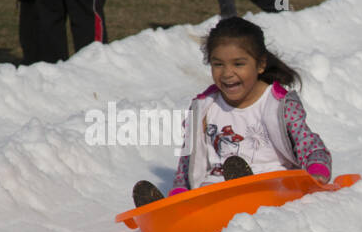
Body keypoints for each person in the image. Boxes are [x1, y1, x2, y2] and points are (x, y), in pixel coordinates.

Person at [133, 18, 332, 207]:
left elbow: (309, 145)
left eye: (238, 64)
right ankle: (164, 211)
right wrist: (180, 192)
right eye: (218, 64)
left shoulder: (277, 105)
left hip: (271, 189)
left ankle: (241, 189)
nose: (227, 73)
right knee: (202, 197)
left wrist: (317, 170)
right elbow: (188, 162)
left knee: (240, 184)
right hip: (215, 194)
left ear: (261, 64)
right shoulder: (205, 108)